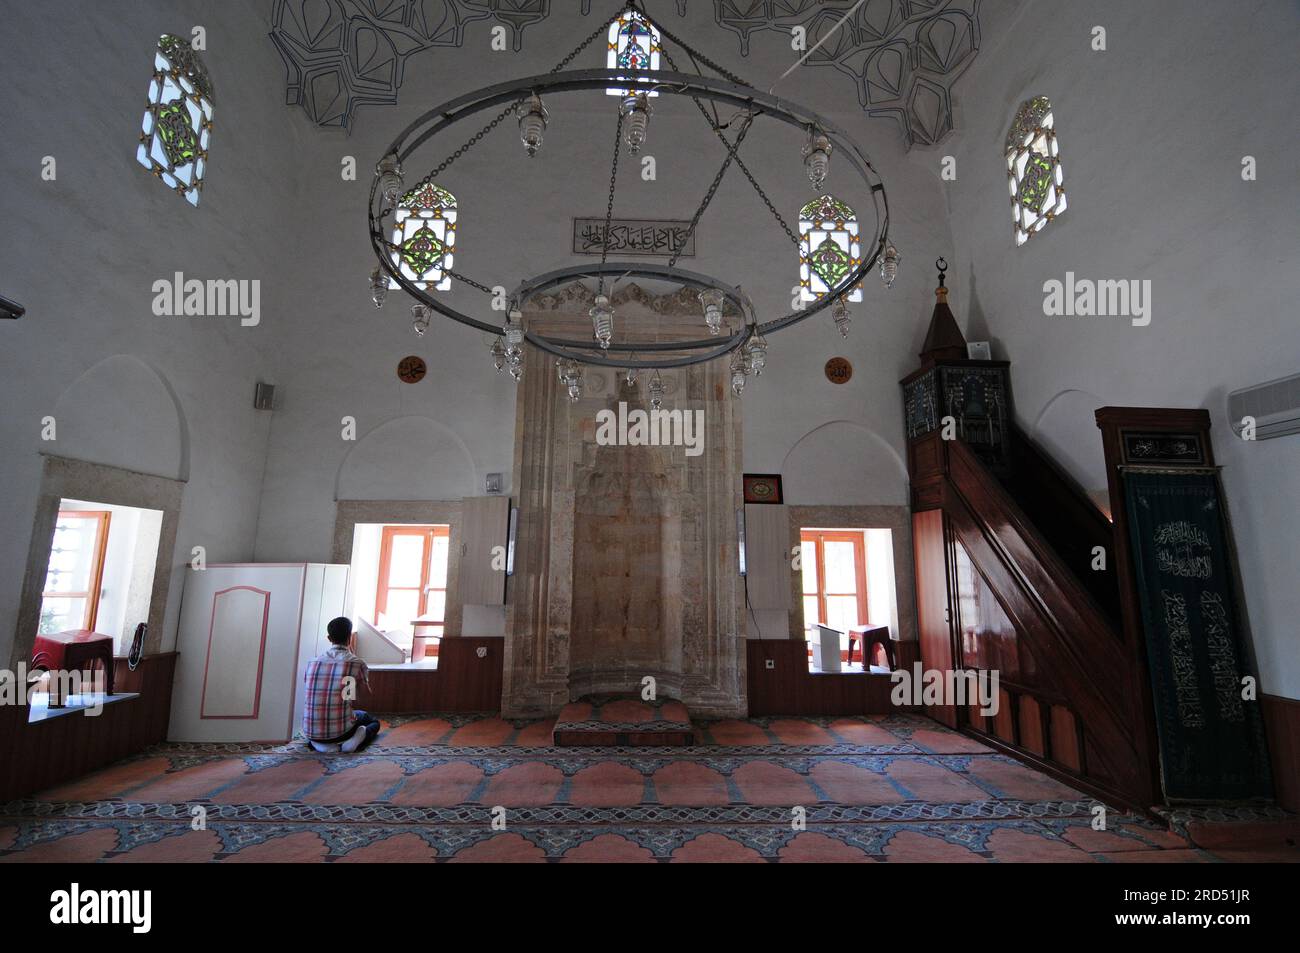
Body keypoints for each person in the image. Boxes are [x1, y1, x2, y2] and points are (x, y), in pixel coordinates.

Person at [302, 617, 381, 753]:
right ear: (349, 637)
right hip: (342, 732)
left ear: (329, 638)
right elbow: (365, 698)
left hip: (310, 730)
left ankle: (317, 744)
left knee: (325, 719)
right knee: (372, 721)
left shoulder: (312, 662)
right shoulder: (356, 663)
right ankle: (356, 739)